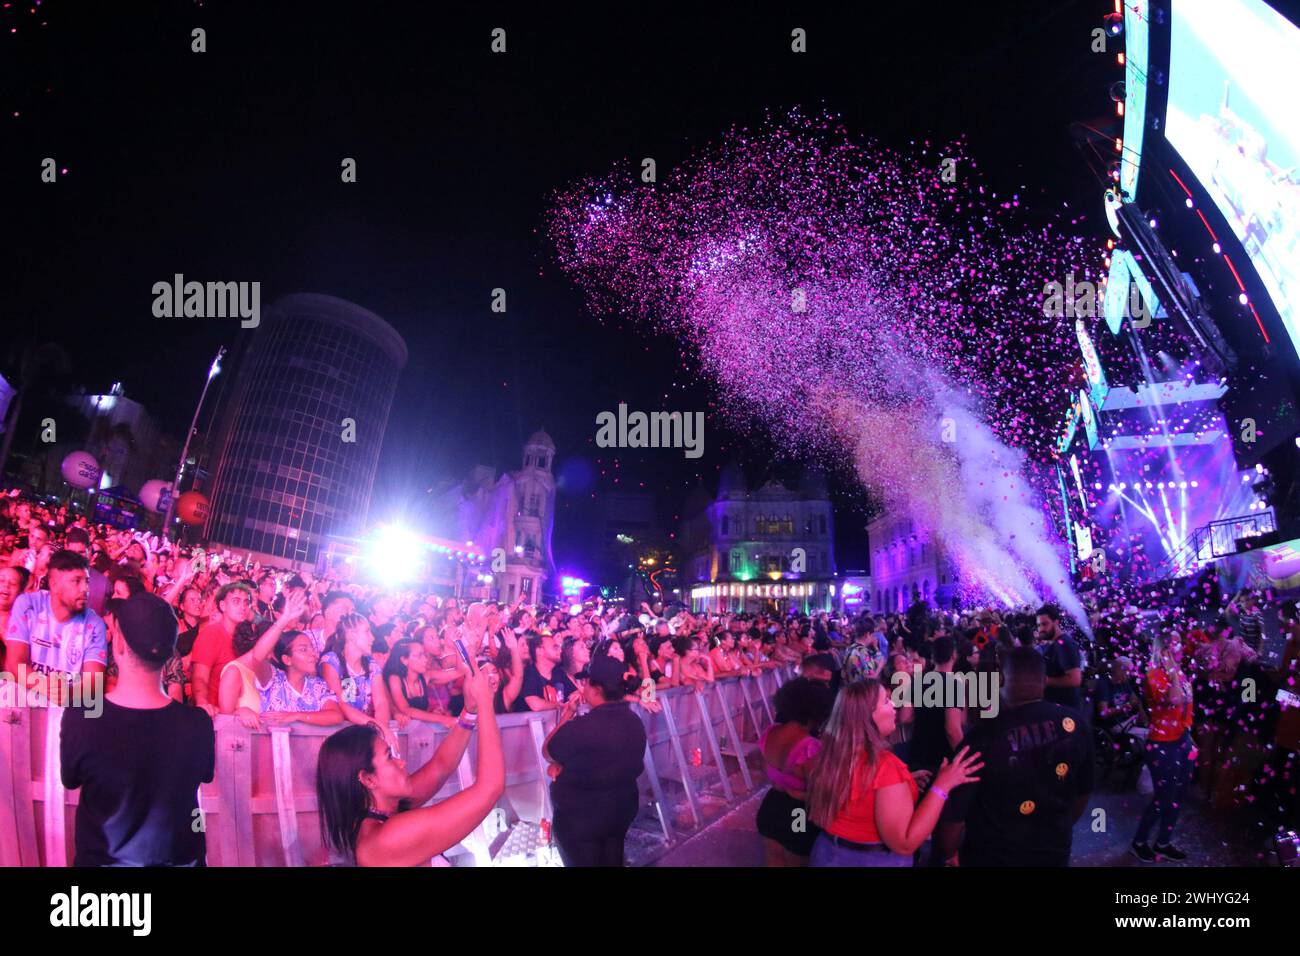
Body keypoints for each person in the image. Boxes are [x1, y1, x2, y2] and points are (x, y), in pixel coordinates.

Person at [60, 591, 215, 866]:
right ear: (170, 652)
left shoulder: (81, 717)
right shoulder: (198, 725)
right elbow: (201, 779)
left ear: (118, 643)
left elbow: (70, 779)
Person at [315, 666, 504, 867]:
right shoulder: (386, 839)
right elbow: (489, 789)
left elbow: (441, 766)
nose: (401, 762)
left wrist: (470, 711)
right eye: (389, 757)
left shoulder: (383, 814)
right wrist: (485, 701)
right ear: (368, 779)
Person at [934, 647, 1095, 867]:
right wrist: (1062, 825)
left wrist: (949, 853)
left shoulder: (982, 738)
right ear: (1044, 680)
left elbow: (953, 815)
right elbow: (1084, 790)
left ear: (1003, 680)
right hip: (1054, 851)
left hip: (991, 856)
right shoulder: (1075, 723)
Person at [806, 680, 982, 867]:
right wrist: (942, 785)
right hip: (871, 860)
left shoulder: (833, 753)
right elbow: (904, 843)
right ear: (867, 716)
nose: (893, 705)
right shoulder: (886, 766)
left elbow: (860, 792)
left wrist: (903, 785)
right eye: (886, 701)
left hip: (827, 853)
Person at [542, 654, 649, 867]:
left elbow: (548, 751)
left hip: (582, 819)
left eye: (585, 683)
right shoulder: (634, 721)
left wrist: (567, 715)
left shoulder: (584, 727)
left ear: (597, 689)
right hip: (620, 812)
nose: (583, 688)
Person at [4, 549, 107, 702]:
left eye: (87, 581)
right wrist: (46, 687)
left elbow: (94, 682)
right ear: (54, 584)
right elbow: (15, 663)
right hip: (24, 703)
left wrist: (67, 694)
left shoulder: (95, 624)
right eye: (77, 581)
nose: (85, 589)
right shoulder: (28, 604)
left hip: (66, 710)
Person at [756, 677, 834, 866]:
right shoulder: (810, 747)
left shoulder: (770, 733)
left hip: (771, 807)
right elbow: (820, 794)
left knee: (773, 861)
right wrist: (797, 793)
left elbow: (765, 768)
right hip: (797, 815)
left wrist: (783, 785)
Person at [1131, 632, 1195, 863]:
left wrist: (1189, 735)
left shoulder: (1179, 672)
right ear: (1165, 650)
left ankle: (1163, 842)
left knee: (1178, 795)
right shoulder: (1154, 675)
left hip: (1182, 741)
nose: (1183, 646)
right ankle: (1139, 843)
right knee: (1164, 798)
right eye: (1178, 642)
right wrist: (1171, 670)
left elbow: (1187, 706)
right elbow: (1175, 699)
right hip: (1162, 744)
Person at [190, 582, 254, 717]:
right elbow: (200, 677)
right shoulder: (211, 634)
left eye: (246, 603)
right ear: (222, 606)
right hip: (215, 715)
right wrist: (202, 702)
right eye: (236, 601)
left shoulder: (248, 637)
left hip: (242, 716)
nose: (243, 607)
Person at [384, 638, 457, 728]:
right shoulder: (395, 679)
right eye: (419, 656)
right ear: (404, 660)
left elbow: (459, 672)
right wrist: (444, 719)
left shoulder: (426, 676)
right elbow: (407, 710)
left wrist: (459, 644)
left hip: (420, 732)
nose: (425, 659)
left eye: (424, 655)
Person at [1036, 604, 1083, 712]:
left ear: (1056, 622)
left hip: (1066, 710)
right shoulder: (1055, 643)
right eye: (1039, 625)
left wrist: (1044, 680)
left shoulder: (1064, 644)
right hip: (1057, 708)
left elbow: (1075, 680)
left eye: (1045, 624)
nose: (1041, 629)